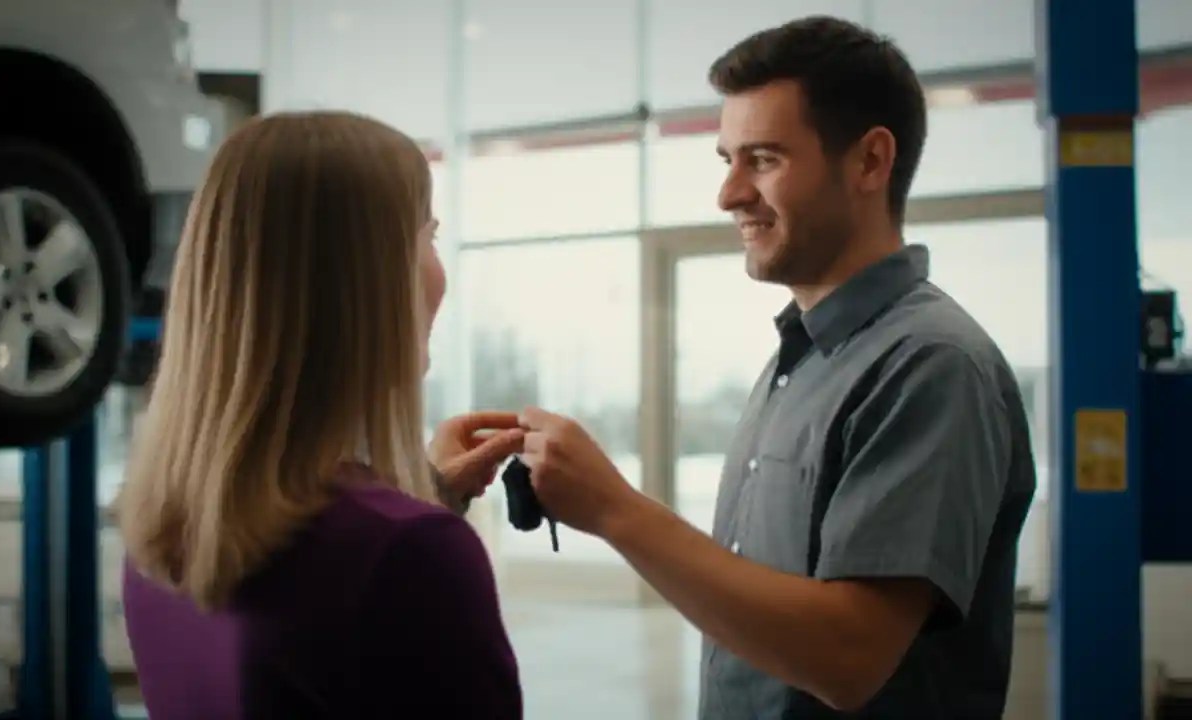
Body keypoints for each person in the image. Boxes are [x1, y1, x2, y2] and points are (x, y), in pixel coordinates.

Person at [517, 15, 1036, 720]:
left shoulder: (930, 366)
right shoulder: (800, 359)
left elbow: (848, 657)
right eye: (727, 161)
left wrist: (614, 508)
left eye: (762, 160)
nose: (729, 194)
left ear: (869, 162)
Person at [115, 112, 525, 719]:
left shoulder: (161, 537)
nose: (441, 276)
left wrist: (428, 491)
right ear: (365, 283)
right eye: (429, 237)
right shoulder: (413, 553)